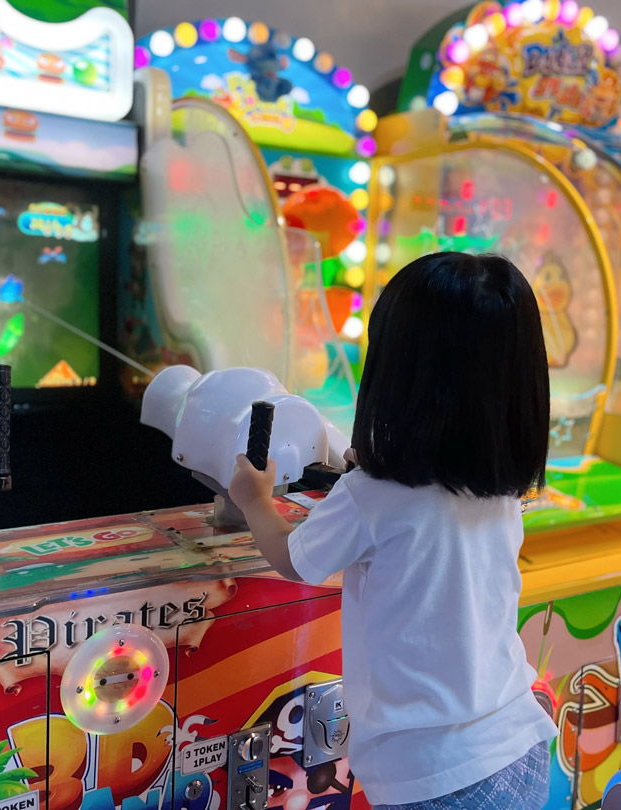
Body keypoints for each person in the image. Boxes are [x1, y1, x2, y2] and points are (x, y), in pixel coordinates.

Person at [229, 252, 557, 809]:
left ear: (399, 375)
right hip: (520, 745)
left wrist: (254, 497)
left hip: (433, 776)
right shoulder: (500, 490)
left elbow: (292, 558)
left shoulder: (372, 495)